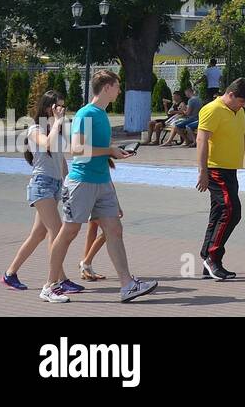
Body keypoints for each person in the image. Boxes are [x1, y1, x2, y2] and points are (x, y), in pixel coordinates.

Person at [39, 70, 157, 303]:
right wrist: (111, 150)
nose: (120, 90)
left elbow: (100, 154)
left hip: (102, 181)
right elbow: (76, 149)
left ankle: (128, 285)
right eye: (117, 86)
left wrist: (113, 161)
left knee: (114, 230)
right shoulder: (86, 114)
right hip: (81, 182)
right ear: (106, 88)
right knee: (69, 232)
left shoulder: (102, 115)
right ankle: (50, 286)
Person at [2, 91, 85, 294]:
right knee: (57, 232)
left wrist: (68, 182)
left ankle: (10, 274)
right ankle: (60, 279)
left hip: (55, 185)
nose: (63, 111)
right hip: (41, 185)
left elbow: (60, 159)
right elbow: (46, 144)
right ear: (49, 107)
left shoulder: (55, 129)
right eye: (59, 107)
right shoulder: (35, 128)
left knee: (38, 234)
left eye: (63, 107)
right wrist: (57, 122)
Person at [196, 78, 245, 281]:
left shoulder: (238, 111)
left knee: (218, 214)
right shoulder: (211, 110)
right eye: (241, 101)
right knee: (232, 210)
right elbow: (201, 139)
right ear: (230, 94)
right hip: (215, 169)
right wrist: (202, 171)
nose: (243, 106)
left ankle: (208, 260)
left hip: (231, 170)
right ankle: (213, 257)